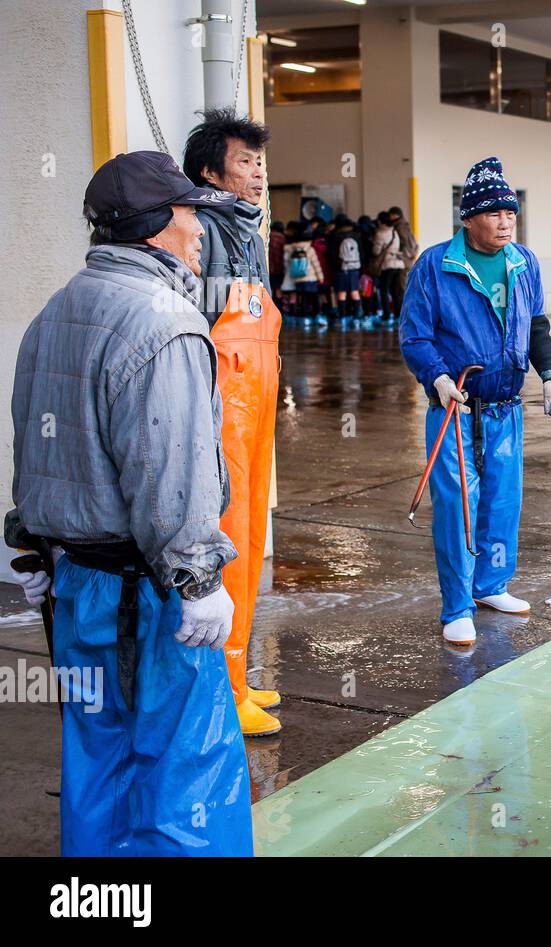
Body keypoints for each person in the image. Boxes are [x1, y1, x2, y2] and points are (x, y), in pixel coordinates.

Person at [9, 151, 252, 855]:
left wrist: (32, 544)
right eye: (189, 213)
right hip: (150, 594)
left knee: (95, 763)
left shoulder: (54, 314)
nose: (200, 228)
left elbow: (36, 446)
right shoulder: (165, 322)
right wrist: (199, 578)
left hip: (75, 590)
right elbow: (167, 468)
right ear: (156, 227)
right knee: (185, 775)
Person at [400, 157, 551, 645]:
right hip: (455, 410)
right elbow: (415, 338)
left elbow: (536, 324)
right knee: (458, 507)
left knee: (501, 502)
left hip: (505, 409)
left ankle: (490, 584)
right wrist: (437, 378)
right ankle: (456, 605)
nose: (505, 220)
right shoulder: (436, 264)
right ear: (468, 217)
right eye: (494, 212)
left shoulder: (524, 261)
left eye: (510, 211)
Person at [182, 107, 284, 737]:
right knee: (228, 542)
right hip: (225, 414)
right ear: (210, 172)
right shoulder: (206, 232)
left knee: (248, 541)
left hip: (259, 406)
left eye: (259, 163)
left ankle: (239, 676)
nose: (257, 174)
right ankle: (222, 690)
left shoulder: (250, 231)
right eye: (244, 162)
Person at [283, 219, 324, 323]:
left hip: (297, 278)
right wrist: (320, 277)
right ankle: (317, 315)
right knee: (314, 297)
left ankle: (305, 318)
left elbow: (286, 262)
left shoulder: (291, 249)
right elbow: (316, 264)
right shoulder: (309, 249)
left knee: (303, 298)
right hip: (310, 277)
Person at [329, 215, 364, 323]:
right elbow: (362, 254)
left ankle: (343, 317)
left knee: (341, 293)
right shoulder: (356, 236)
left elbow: (332, 254)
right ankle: (357, 317)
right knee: (355, 292)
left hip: (341, 269)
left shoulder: (335, 236)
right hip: (355, 268)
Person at [268, 220, 286, 310]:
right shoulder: (283, 239)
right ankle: (279, 309)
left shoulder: (268, 237)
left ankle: (270, 309)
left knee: (269, 289)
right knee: (278, 290)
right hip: (280, 268)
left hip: (269, 268)